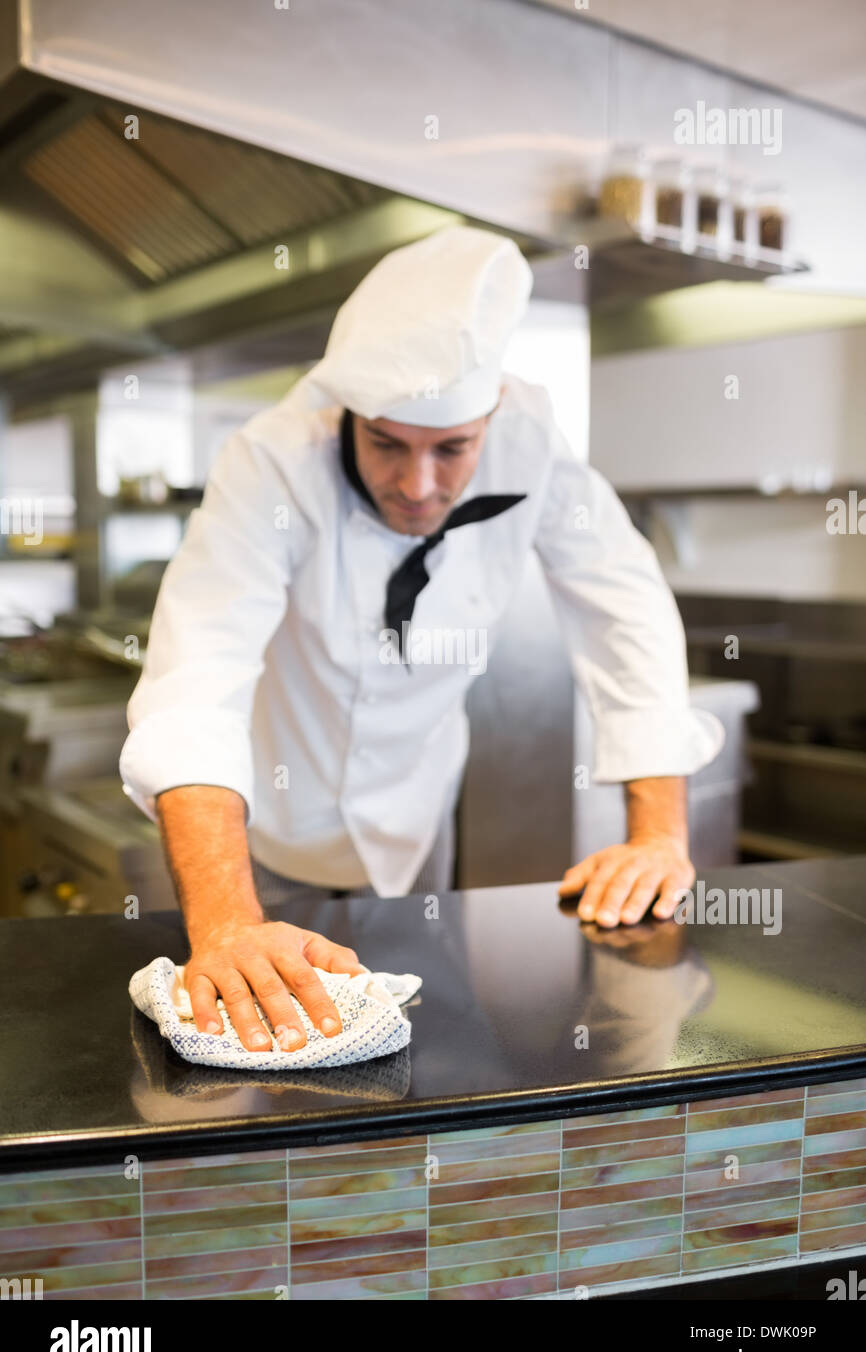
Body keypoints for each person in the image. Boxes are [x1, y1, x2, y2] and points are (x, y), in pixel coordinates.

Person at [120, 225, 723, 1054]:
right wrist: (227, 922)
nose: (418, 484)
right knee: (252, 1076)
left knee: (416, 1046)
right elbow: (197, 671)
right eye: (386, 443)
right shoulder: (269, 461)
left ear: (493, 413)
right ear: (349, 414)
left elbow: (625, 602)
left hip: (416, 824)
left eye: (452, 448)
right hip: (263, 830)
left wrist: (658, 830)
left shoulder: (530, 440)